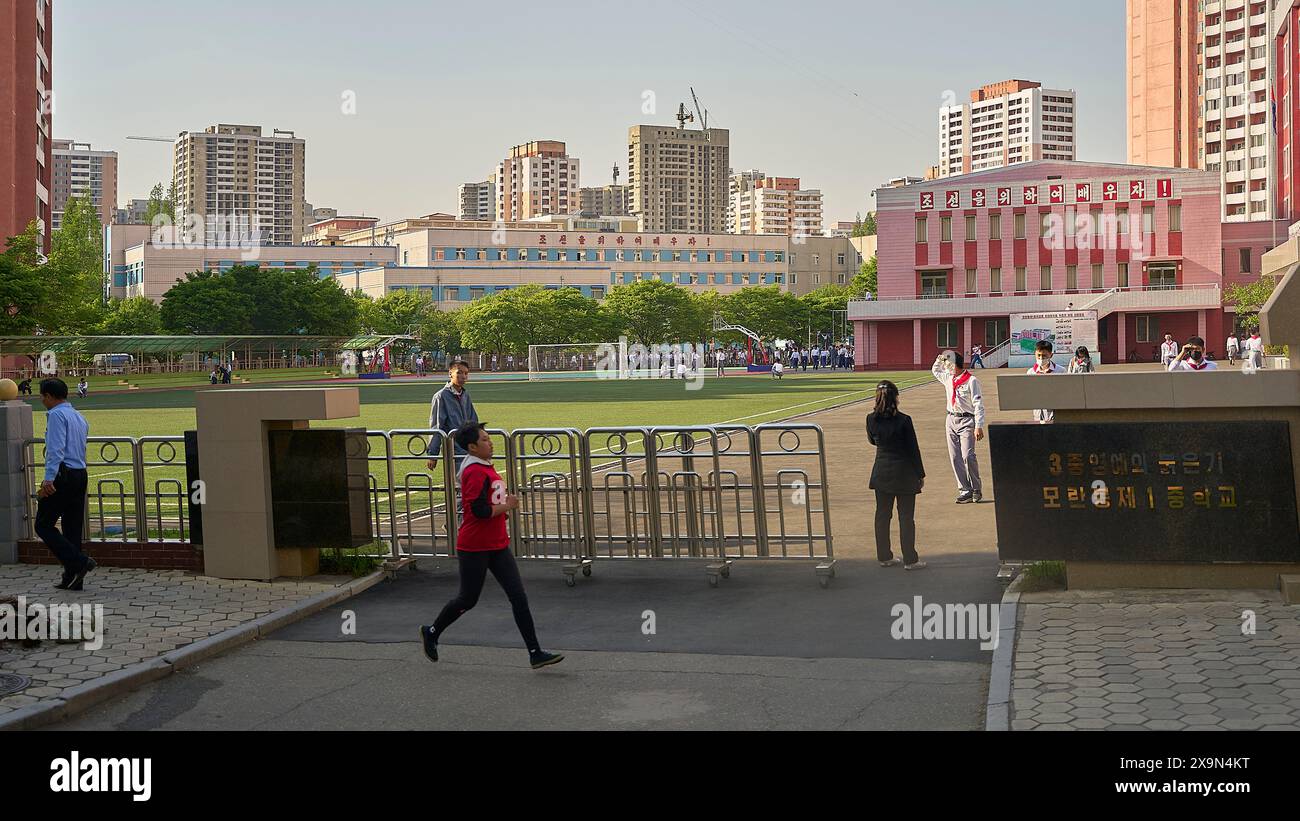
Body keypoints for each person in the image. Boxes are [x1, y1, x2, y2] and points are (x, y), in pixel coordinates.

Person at [419, 423, 564, 670]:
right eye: (484, 440)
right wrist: (508, 506)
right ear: (472, 447)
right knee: (468, 599)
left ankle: (535, 652)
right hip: (475, 546)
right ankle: (432, 631)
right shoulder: (474, 471)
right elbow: (479, 510)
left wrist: (503, 511)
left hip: (497, 544)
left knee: (518, 597)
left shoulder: (484, 465)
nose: (490, 442)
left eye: (489, 438)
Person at [35, 378, 96, 591]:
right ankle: (73, 576)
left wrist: (48, 479)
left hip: (63, 474)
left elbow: (55, 450)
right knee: (72, 526)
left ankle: (80, 562)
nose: (42, 400)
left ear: (50, 396)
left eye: (42, 396)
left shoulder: (56, 415)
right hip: (80, 473)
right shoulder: (79, 416)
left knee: (43, 524)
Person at [866, 380, 926, 570]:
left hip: (882, 470)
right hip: (905, 472)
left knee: (882, 516)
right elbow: (913, 449)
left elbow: (872, 441)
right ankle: (910, 559)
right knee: (906, 517)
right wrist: (920, 474)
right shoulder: (904, 420)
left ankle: (884, 556)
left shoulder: (870, 419)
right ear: (896, 397)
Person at [932, 350, 985, 504]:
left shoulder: (972, 381)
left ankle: (976, 488)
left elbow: (978, 405)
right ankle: (965, 490)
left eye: (948, 365)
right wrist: (940, 359)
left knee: (968, 455)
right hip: (951, 419)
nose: (946, 367)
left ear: (955, 365)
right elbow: (935, 370)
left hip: (967, 421)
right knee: (955, 457)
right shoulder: (948, 378)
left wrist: (978, 425)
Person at [426, 361, 479, 471]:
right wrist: (432, 454)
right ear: (450, 373)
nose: (463, 376)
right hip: (453, 451)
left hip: (468, 449)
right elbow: (436, 426)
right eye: (459, 373)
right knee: (457, 484)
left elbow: (473, 421)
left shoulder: (465, 395)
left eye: (466, 373)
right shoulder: (441, 396)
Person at [1028, 340, 1058, 423]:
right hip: (1038, 410)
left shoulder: (1060, 370)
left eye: (1044, 356)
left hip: (1055, 410)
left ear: (1051, 355)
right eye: (1039, 355)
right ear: (1035, 354)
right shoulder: (1031, 372)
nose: (1041, 358)